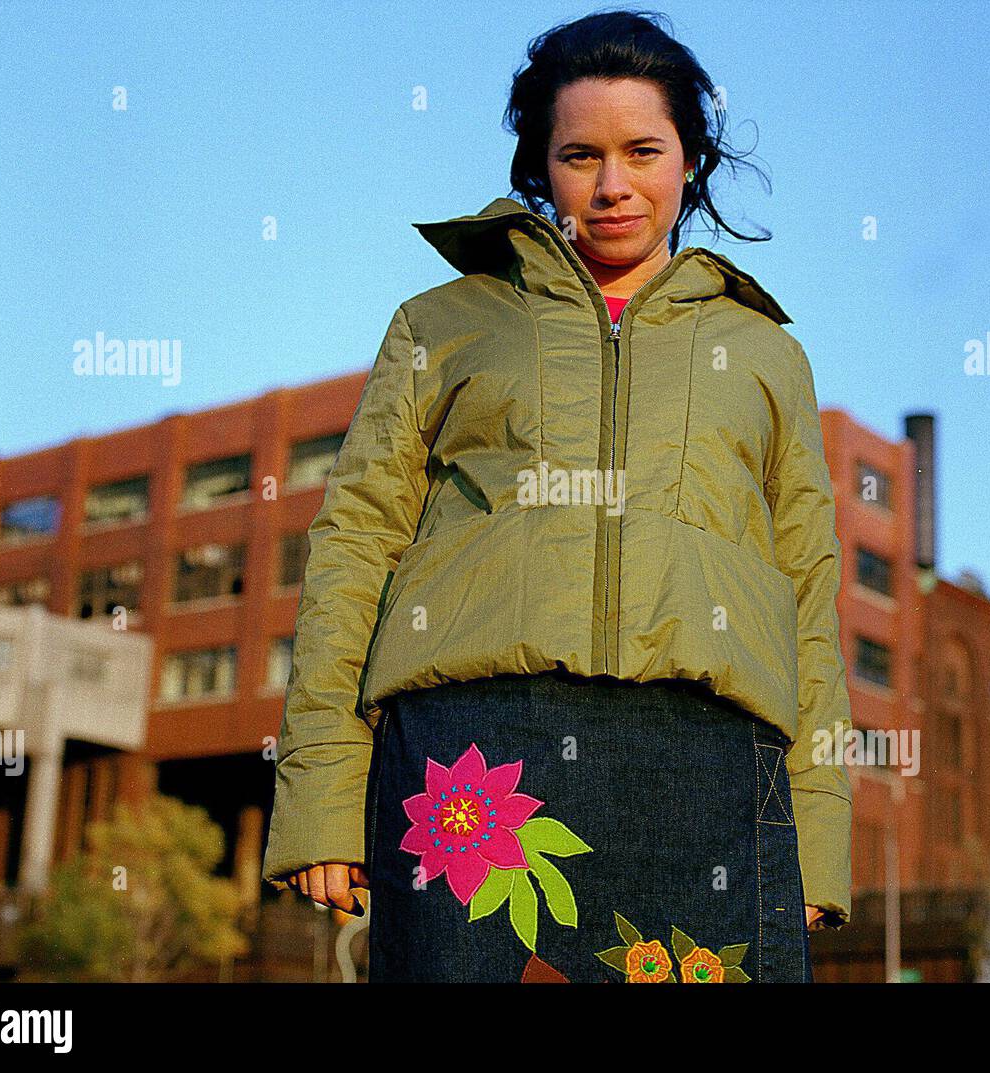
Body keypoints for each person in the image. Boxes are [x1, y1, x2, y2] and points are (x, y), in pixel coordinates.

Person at [262, 9, 853, 983]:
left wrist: (818, 826)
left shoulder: (766, 355)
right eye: (579, 153)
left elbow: (806, 592)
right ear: (539, 164)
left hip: (709, 772)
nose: (612, 184)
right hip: (472, 767)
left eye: (642, 150)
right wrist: (325, 787)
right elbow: (354, 546)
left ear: (690, 160)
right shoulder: (442, 322)